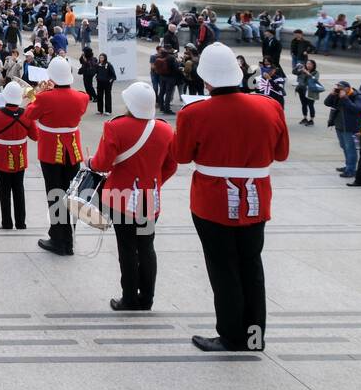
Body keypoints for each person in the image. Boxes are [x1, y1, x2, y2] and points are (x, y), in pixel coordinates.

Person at [170, 43, 288, 352]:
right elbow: (282, 153)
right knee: (252, 266)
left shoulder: (193, 112)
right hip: (256, 199)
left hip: (212, 200)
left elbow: (181, 156)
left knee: (223, 268)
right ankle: (253, 336)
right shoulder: (269, 106)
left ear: (206, 79)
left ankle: (231, 335)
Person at [88, 82, 177, 311]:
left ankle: (129, 297)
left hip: (121, 197)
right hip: (149, 197)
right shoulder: (166, 129)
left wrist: (88, 162)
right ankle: (146, 298)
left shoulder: (115, 127)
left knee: (127, 248)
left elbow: (102, 163)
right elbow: (170, 166)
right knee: (146, 247)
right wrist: (155, 182)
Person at [27, 57, 89, 256]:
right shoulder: (82, 97)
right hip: (73, 152)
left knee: (55, 197)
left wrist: (38, 94)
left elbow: (29, 115)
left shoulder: (46, 98)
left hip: (51, 153)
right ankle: (68, 239)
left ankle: (58, 240)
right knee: (70, 197)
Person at [0, 81, 30, 230]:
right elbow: (35, 135)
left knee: (4, 191)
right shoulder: (27, 113)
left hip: (2, 158)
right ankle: (21, 223)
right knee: (19, 190)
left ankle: (7, 223)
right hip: (20, 157)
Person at [325, 81, 361, 179]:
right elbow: (327, 103)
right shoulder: (338, 95)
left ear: (347, 88)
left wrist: (345, 98)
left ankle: (351, 170)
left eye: (341, 88)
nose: (339, 89)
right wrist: (332, 94)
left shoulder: (357, 96)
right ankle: (348, 165)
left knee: (350, 149)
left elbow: (357, 109)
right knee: (344, 147)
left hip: (350, 127)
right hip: (339, 126)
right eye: (337, 87)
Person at [292, 57, 322, 127]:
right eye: (307, 63)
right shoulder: (302, 70)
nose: (308, 65)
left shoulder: (316, 72)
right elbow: (294, 72)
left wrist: (307, 73)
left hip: (310, 91)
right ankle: (305, 118)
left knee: (310, 105)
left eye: (310, 64)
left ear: (313, 65)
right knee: (304, 104)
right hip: (301, 90)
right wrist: (297, 67)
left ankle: (311, 120)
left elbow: (314, 79)